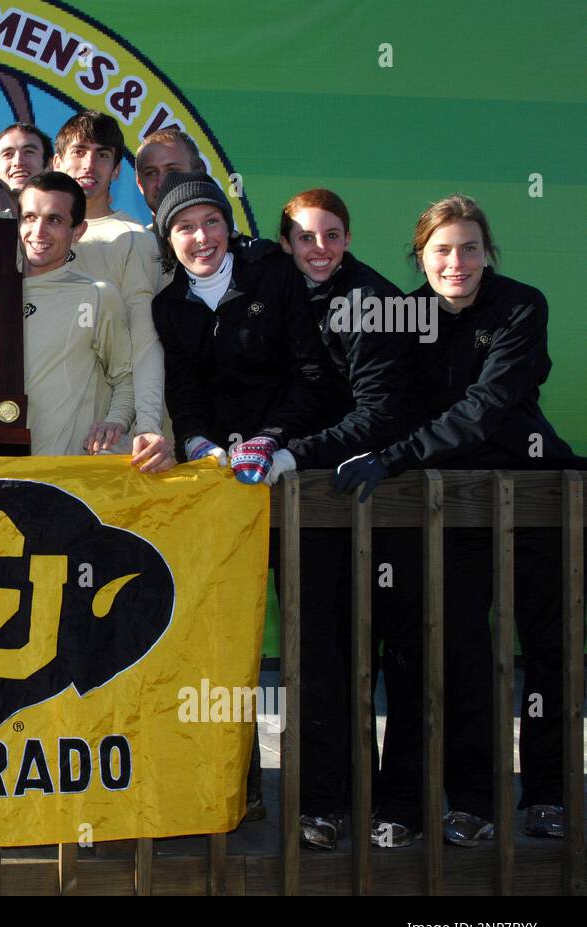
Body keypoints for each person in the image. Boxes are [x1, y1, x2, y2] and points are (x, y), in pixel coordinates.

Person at [334, 194, 586, 844]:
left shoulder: (522, 305)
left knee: (550, 653)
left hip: (536, 497)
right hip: (454, 509)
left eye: (470, 247)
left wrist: (392, 457)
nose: (457, 261)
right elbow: (386, 400)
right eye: (442, 249)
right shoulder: (404, 315)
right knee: (465, 653)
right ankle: (471, 803)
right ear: (420, 256)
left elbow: (488, 405)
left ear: (488, 252)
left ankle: (551, 796)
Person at [144, 170, 337, 820]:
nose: (201, 237)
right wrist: (198, 441)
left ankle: (320, 804)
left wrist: (272, 439)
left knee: (313, 643)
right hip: (220, 497)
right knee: (223, 646)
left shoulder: (273, 278)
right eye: (185, 227)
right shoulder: (168, 305)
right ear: (169, 240)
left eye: (211, 223)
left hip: (288, 479)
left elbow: (312, 374)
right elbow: (184, 392)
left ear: (229, 227)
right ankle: (238, 790)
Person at [266, 189, 417, 849]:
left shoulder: (374, 301)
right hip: (317, 510)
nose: (319, 248)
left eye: (331, 235)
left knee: (400, 659)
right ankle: (325, 806)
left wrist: (295, 452)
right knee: (319, 659)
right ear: (286, 244)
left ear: (349, 238)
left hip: (386, 504)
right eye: (305, 237)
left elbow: (382, 412)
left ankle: (401, 808)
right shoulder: (283, 295)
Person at [53, 112, 165, 449]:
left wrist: (146, 423)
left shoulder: (133, 239)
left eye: (102, 155)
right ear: (57, 161)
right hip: (29, 433)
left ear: (116, 169)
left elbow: (144, 344)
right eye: (79, 151)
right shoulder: (28, 237)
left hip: (100, 439)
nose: (90, 163)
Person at [18, 172, 133, 455]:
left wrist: (114, 423)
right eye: (30, 217)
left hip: (67, 477)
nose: (39, 231)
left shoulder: (96, 296)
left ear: (78, 232)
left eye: (54, 220)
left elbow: (127, 377)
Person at [133, 128, 203, 226]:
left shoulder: (224, 240)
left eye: (172, 171)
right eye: (151, 173)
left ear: (198, 174)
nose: (161, 183)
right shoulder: (131, 241)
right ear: (140, 184)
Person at [0, 122, 52, 211]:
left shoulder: (71, 221)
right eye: (8, 154)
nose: (18, 162)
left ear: (49, 165)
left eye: (29, 152)